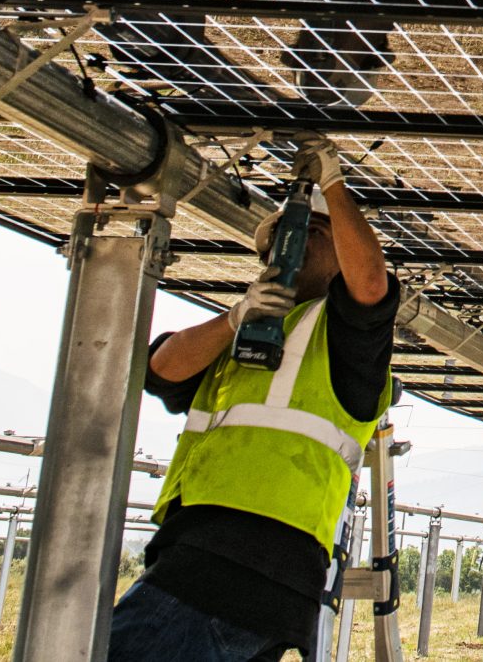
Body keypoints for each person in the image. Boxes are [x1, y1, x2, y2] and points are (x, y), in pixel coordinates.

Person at [111, 139, 400, 662]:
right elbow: (159, 369)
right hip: (218, 561)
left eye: (311, 234)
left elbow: (372, 285)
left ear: (341, 258)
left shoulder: (345, 342)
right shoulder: (241, 332)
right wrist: (235, 318)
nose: (288, 248)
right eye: (280, 241)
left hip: (235, 567)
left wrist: (332, 182)